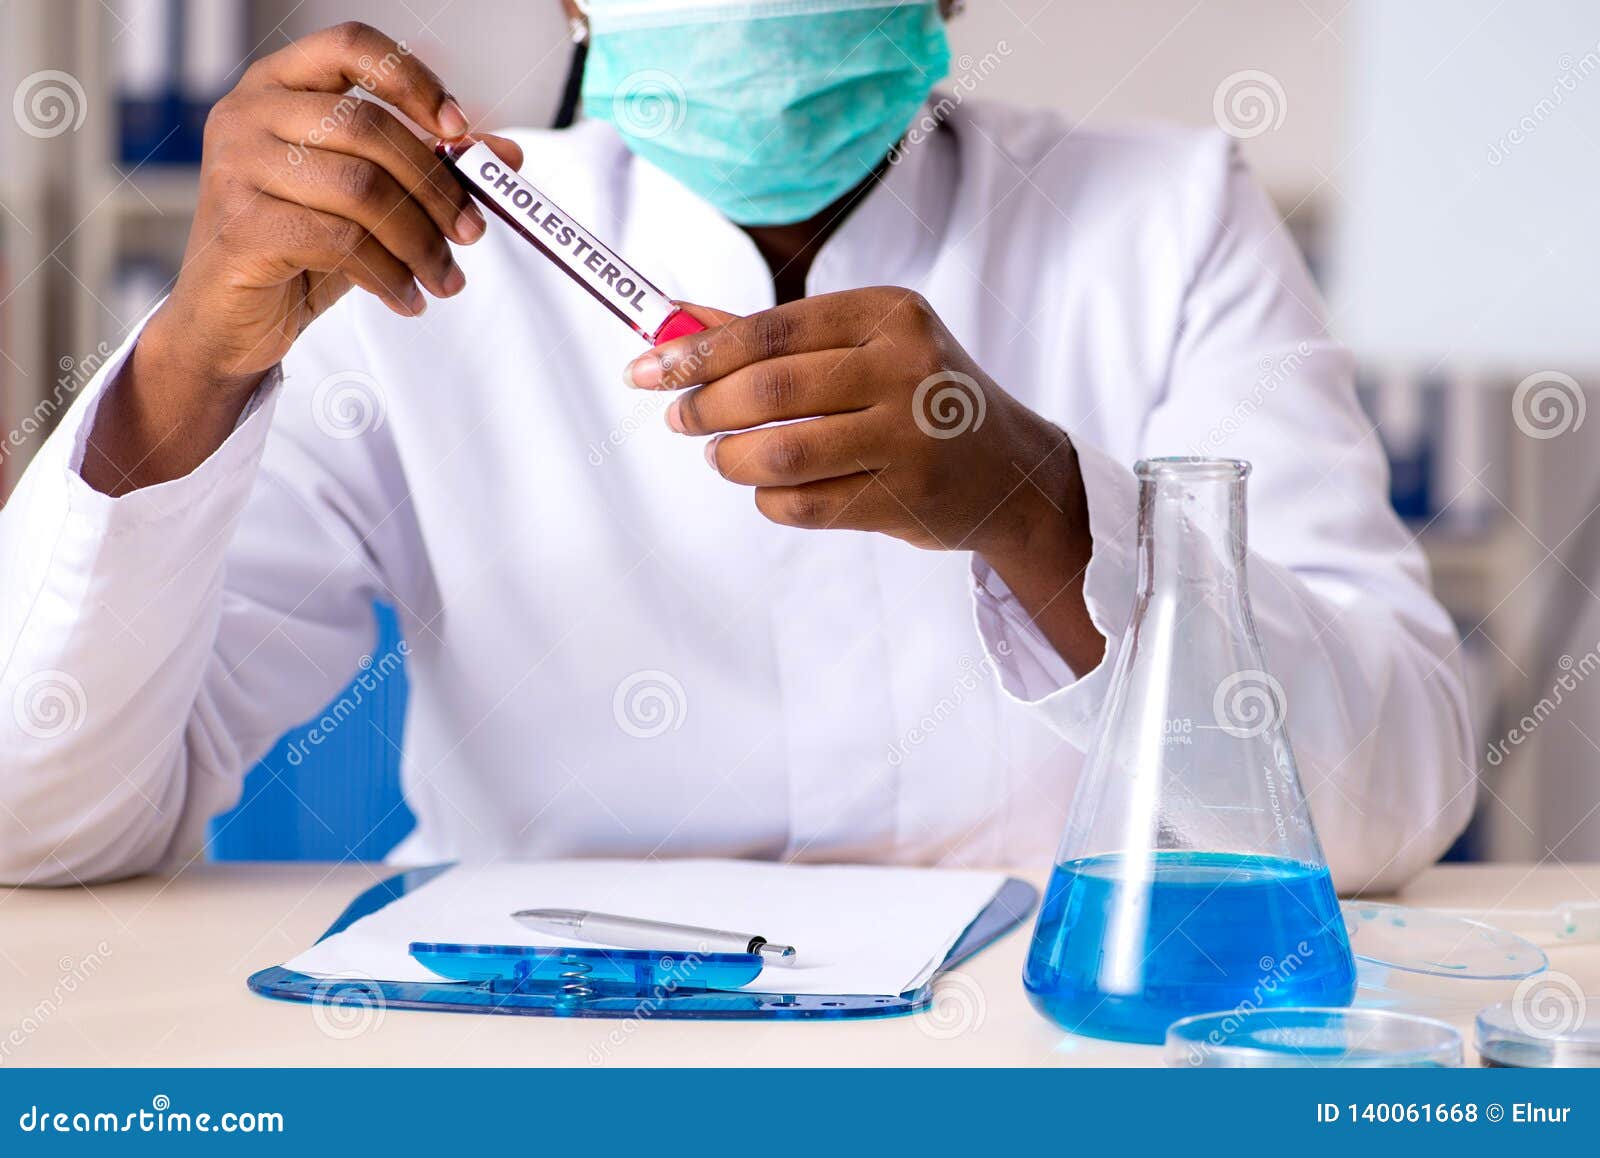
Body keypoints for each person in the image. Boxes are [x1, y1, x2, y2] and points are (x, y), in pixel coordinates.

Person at [0, 0, 1473, 891]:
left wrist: (1042, 509)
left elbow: (1392, 796)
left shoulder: (1171, 220)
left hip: (1025, 1067)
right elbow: (39, 820)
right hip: (530, 1071)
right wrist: (190, 361)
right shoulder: (415, 261)